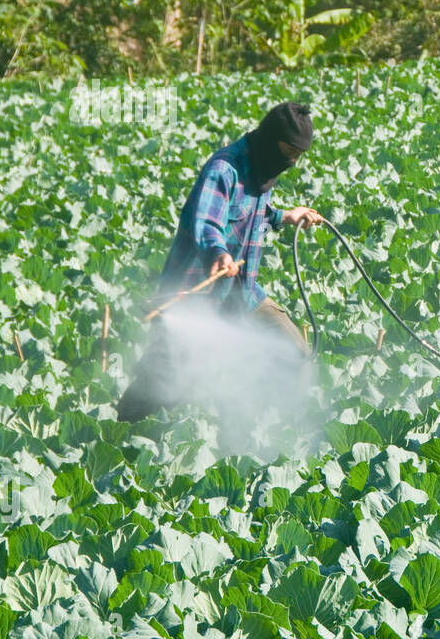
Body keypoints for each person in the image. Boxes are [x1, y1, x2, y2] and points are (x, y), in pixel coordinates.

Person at [116, 101, 325, 422]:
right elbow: (206, 220)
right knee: (166, 381)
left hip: (243, 291)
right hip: (197, 294)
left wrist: (285, 216)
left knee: (295, 353)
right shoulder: (224, 169)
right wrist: (218, 252)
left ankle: (278, 430)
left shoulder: (262, 167)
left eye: (297, 156)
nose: (290, 162)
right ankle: (121, 432)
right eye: (288, 152)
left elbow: (254, 211)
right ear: (271, 140)